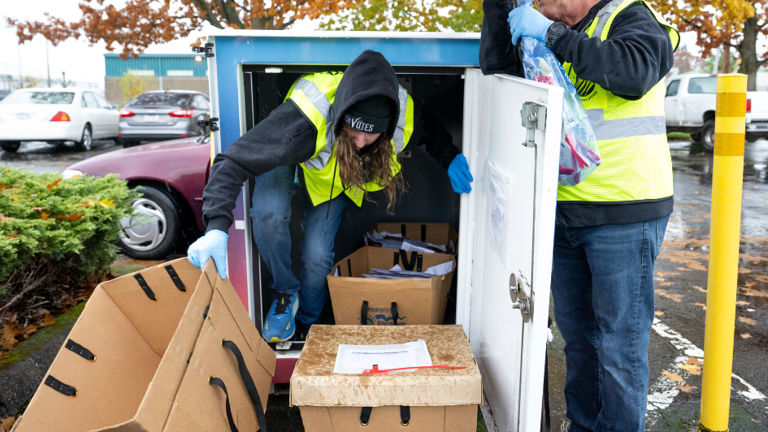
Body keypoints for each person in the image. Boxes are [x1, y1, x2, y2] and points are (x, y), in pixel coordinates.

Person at [480, 0, 678, 430]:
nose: (534, 5)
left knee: (619, 348)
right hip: (565, 211)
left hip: (624, 211)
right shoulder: (544, 30)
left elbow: (634, 74)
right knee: (579, 342)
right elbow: (497, 67)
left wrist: (551, 35)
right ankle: (585, 425)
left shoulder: (627, 15)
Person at [187, 50, 473, 343]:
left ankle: (307, 325)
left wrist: (449, 156)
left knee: (318, 256)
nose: (361, 143)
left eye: (371, 135)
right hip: (290, 156)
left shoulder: (401, 120)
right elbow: (233, 160)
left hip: (334, 177)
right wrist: (216, 227)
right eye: (353, 132)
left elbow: (433, 129)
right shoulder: (303, 120)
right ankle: (285, 291)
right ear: (341, 116)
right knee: (268, 215)